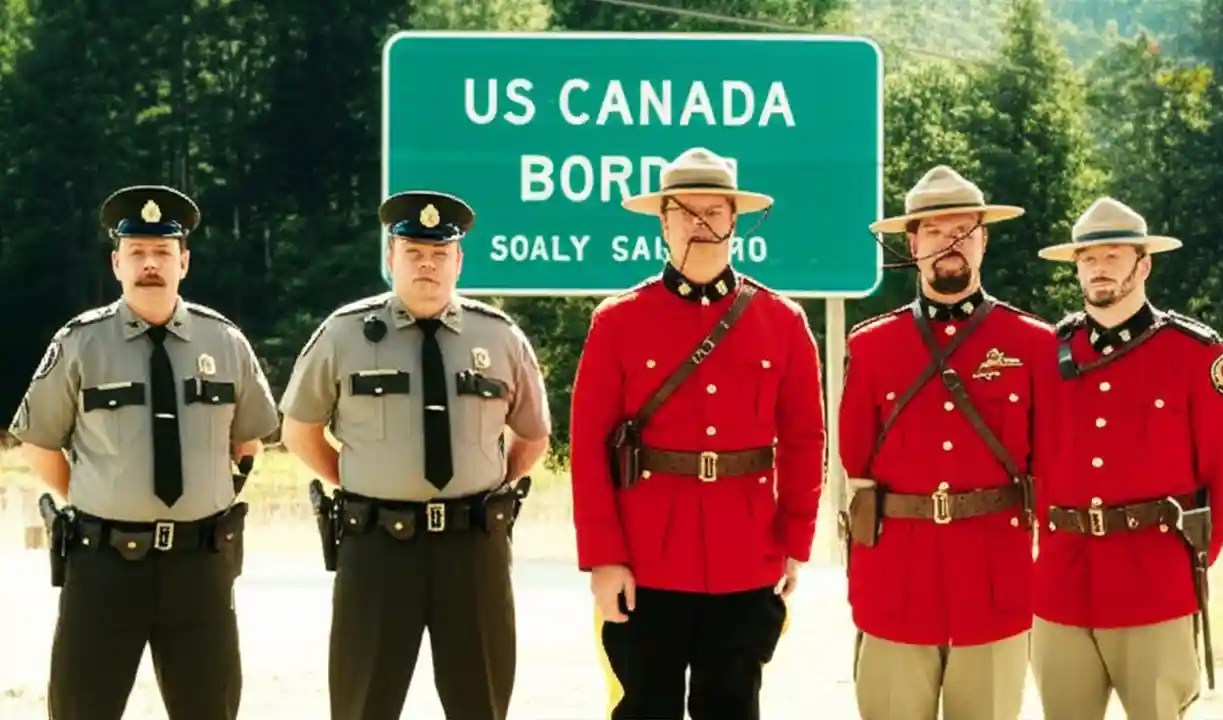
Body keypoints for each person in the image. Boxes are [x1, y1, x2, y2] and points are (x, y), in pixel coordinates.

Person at [569, 146, 826, 720]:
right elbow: (589, 450)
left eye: (715, 211)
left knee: (733, 706)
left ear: (735, 219)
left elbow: (806, 440)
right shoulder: (618, 321)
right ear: (662, 222)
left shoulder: (781, 321)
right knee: (645, 709)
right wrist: (605, 558)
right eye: (686, 211)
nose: (701, 224)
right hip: (646, 556)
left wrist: (792, 543)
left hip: (747, 550)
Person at [7, 185, 279, 720]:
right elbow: (38, 444)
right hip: (104, 566)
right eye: (137, 252)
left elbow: (248, 443)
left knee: (209, 708)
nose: (149, 264)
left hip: (199, 567)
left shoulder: (224, 343)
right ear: (116, 263)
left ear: (184, 262)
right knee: (83, 708)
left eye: (162, 252)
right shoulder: (80, 343)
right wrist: (97, 496)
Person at [279, 190, 552, 720]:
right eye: (412, 252)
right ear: (390, 258)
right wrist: (359, 483)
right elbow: (299, 430)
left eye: (439, 254)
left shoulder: (498, 337)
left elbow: (533, 435)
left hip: (474, 547)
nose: (426, 265)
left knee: (482, 704)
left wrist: (495, 483)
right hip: (378, 547)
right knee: (364, 704)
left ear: (458, 261)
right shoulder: (345, 334)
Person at [837, 166, 1057, 720]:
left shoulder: (1031, 343)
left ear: (983, 239)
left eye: (962, 230)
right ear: (912, 244)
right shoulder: (872, 347)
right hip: (895, 581)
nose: (949, 244)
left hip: (994, 581)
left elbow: (1053, 466)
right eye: (934, 232)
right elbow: (855, 464)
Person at [1030, 197, 1223, 720]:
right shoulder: (1048, 354)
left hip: (1154, 584)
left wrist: (1191, 563)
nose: (1098, 269)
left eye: (1112, 256)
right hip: (1062, 585)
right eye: (1087, 259)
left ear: (1143, 263)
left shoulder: (1194, 353)